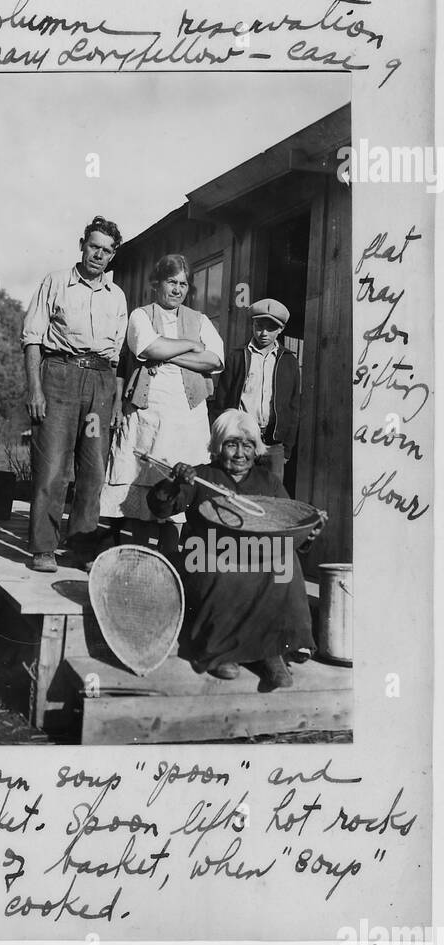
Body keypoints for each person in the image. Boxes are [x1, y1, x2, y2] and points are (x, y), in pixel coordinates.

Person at [146, 409, 324, 692]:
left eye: (248, 445)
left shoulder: (269, 483)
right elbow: (160, 507)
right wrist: (175, 483)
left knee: (283, 563)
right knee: (226, 571)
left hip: (255, 553)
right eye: (231, 444)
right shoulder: (201, 475)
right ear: (218, 447)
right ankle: (221, 652)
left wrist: (309, 535)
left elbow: (287, 529)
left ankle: (273, 652)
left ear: (257, 449)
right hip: (204, 554)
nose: (240, 453)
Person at [21, 216, 128, 573]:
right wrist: (35, 388)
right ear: (82, 243)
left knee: (93, 470)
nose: (99, 254)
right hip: (59, 377)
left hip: (99, 384)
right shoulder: (55, 282)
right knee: (52, 467)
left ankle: (81, 547)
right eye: (94, 246)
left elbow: (115, 357)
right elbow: (33, 339)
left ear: (113, 256)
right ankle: (44, 548)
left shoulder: (117, 297)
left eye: (107, 250)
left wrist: (114, 402)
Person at [101, 253, 223, 536]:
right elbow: (148, 348)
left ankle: (170, 552)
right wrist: (191, 345)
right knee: (142, 476)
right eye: (171, 282)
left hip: (188, 416)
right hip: (149, 411)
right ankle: (135, 549)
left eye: (183, 283)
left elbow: (215, 360)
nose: (177, 289)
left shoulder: (200, 319)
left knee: (179, 479)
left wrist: (170, 355)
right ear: (157, 283)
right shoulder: (141, 315)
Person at [212, 297, 301, 483]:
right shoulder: (237, 357)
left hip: (274, 445)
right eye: (259, 326)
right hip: (240, 440)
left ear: (281, 329)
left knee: (271, 498)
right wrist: (222, 438)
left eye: (271, 328)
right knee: (236, 491)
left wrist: (287, 447)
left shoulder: (288, 361)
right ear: (252, 324)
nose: (264, 333)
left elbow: (293, 406)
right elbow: (221, 401)